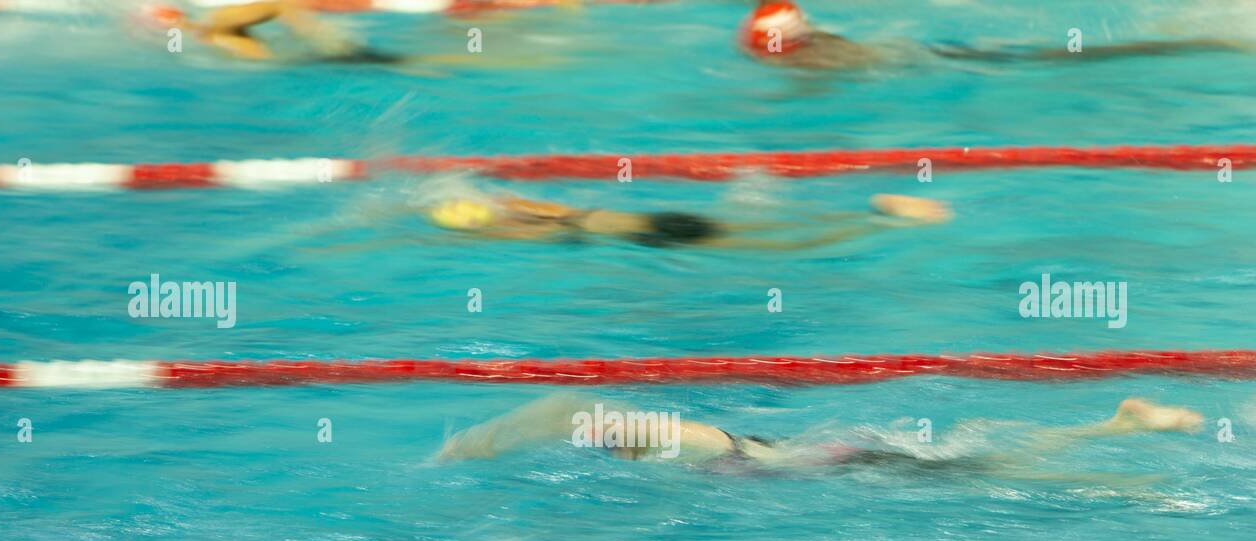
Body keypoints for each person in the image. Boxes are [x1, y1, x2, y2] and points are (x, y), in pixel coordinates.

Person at [438, 391, 1205, 481]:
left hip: (845, 464)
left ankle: (1113, 430)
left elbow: (567, 408)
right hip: (834, 459)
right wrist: (490, 437)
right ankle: (1109, 440)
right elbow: (565, 410)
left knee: (991, 467)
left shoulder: (690, 441)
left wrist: (491, 438)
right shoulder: (687, 442)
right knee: (981, 458)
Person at [739, 1, 1253, 71]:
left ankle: (1194, 41)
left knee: (1056, 60)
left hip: (944, 61)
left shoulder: (812, 60)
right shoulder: (814, 47)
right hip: (934, 55)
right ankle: (1187, 38)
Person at [402, 191, 951, 250]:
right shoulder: (534, 207)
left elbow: (531, 233)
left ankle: (883, 223)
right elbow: (514, 201)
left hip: (654, 237)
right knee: (765, 232)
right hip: (658, 217)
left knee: (784, 248)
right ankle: (870, 213)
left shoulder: (524, 227)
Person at [136, 1, 552, 69]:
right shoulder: (204, 38)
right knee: (418, 66)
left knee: (415, 65)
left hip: (317, 60)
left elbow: (280, 3)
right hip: (306, 65)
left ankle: (527, 57)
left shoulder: (215, 24)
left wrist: (320, 34)